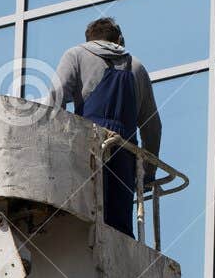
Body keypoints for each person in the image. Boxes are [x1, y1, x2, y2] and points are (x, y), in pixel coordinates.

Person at [45, 17, 162, 236]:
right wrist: (147, 174)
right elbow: (152, 127)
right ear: (120, 40)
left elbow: (54, 97)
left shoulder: (77, 54)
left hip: (88, 146)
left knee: (83, 218)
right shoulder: (137, 66)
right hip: (125, 154)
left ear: (89, 39)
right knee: (119, 230)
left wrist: (56, 146)